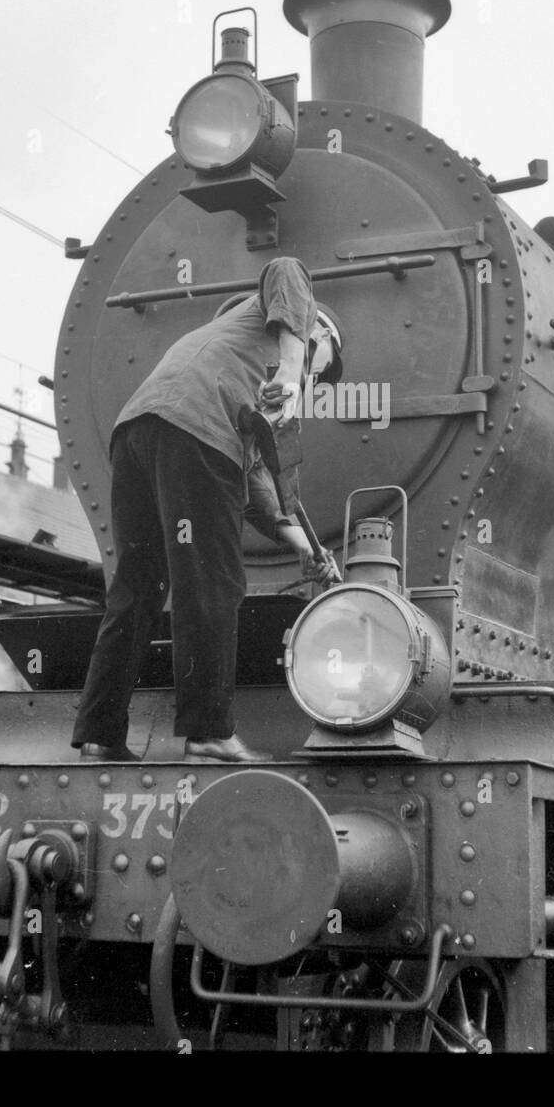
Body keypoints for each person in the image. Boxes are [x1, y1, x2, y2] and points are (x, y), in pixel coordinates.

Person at [71, 256, 342, 764]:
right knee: (211, 583)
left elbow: (251, 483)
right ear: (317, 331)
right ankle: (209, 732)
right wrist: (293, 368)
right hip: (194, 433)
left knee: (137, 588)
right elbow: (286, 268)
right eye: (320, 364)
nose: (314, 375)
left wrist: (304, 547)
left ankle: (98, 734)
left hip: (139, 433)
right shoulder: (279, 321)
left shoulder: (232, 360)